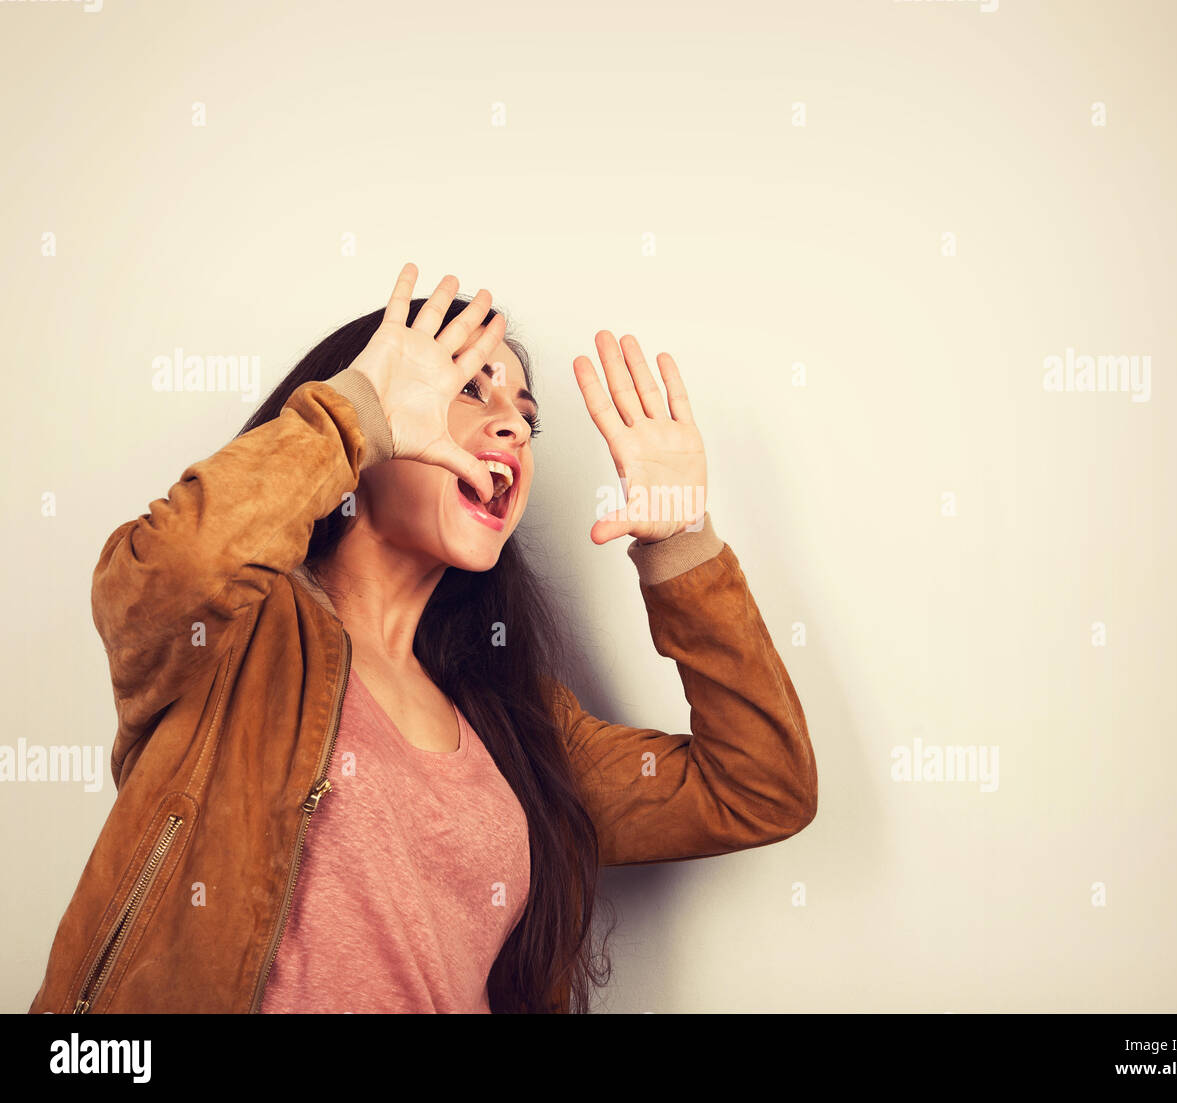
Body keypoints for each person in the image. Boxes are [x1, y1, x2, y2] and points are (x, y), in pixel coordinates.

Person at [28, 263, 817, 1014]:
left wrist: (682, 536)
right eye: (466, 388)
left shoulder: (519, 723)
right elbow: (169, 570)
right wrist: (351, 419)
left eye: (526, 418)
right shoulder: (243, 631)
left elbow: (760, 786)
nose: (512, 424)